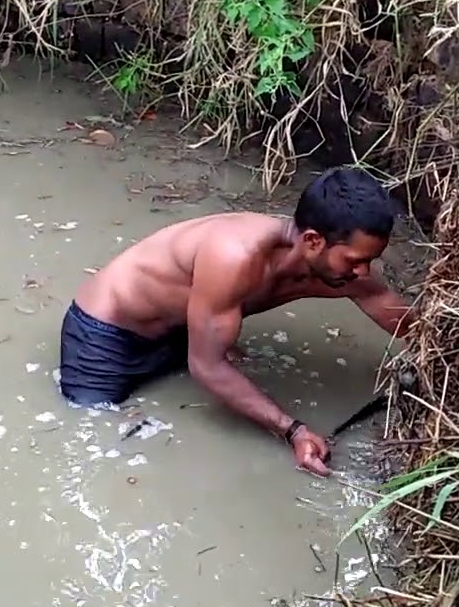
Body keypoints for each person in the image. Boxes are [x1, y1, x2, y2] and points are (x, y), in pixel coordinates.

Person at [58, 166, 417, 477]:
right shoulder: (235, 257)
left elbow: (378, 297)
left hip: (177, 331)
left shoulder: (330, 267)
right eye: (355, 260)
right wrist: (293, 431)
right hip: (104, 338)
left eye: (370, 260)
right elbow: (207, 367)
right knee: (91, 427)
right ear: (312, 241)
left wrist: (440, 349)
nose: (363, 271)